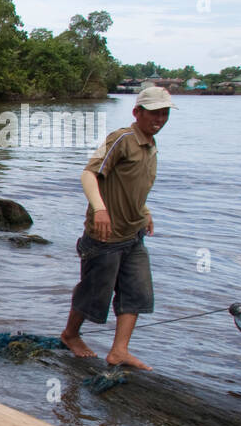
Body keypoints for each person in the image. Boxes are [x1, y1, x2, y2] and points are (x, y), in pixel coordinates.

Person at [59, 86, 175, 370]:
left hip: (133, 234)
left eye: (164, 113)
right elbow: (89, 173)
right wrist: (99, 209)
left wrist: (144, 211)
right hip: (105, 236)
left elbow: (132, 185)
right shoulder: (122, 139)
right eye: (154, 113)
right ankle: (70, 335)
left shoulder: (150, 144)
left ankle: (119, 351)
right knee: (94, 292)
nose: (159, 118)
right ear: (137, 112)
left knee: (136, 292)